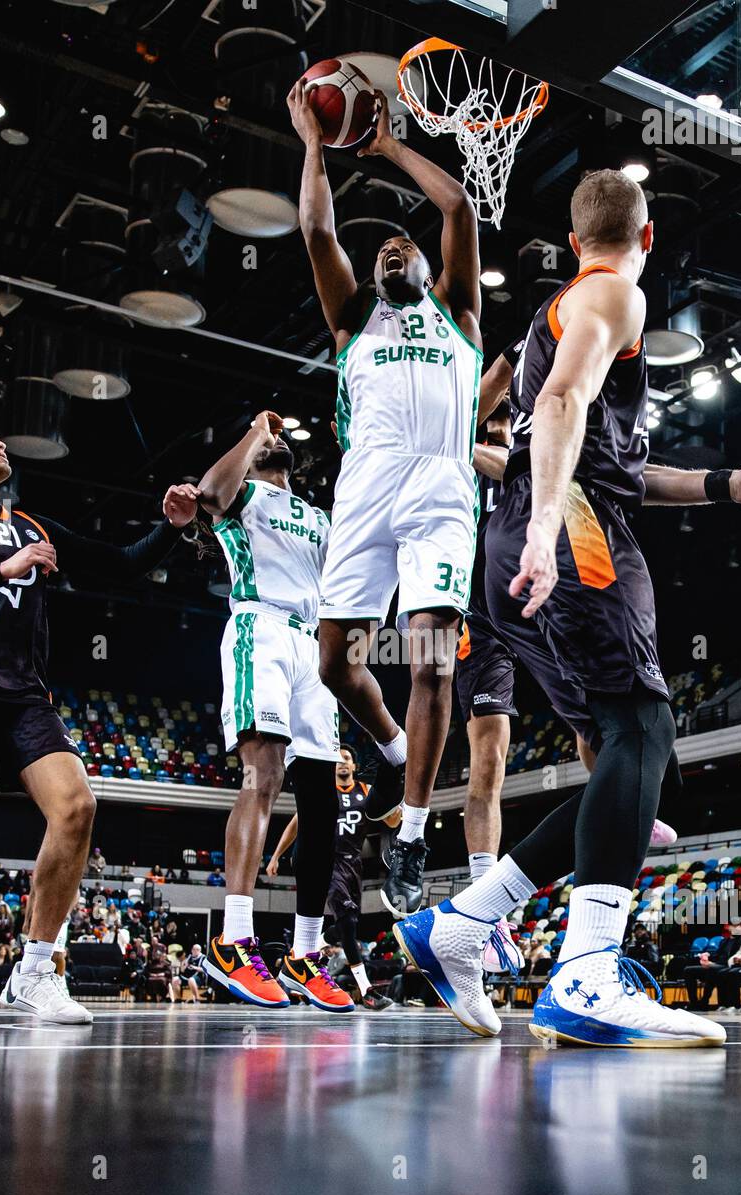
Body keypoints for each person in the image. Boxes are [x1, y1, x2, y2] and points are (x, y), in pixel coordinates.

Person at [395, 168, 741, 1044]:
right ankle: (586, 974)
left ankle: (459, 926)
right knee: (642, 734)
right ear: (648, 236)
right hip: (569, 533)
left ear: (571, 230)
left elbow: (612, 466)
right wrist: (554, 530)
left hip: (523, 532)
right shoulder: (613, 295)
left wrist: (720, 485)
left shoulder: (554, 314)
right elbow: (560, 406)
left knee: (619, 762)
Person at [0, 412, 197, 1026]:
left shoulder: (29, 524)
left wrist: (170, 528)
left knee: (77, 807)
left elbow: (121, 562)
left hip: (24, 691)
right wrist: (3, 569)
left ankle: (34, 972)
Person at [287, 78, 483, 917]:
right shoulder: (351, 320)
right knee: (335, 663)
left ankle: (409, 831)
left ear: (431, 271)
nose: (392, 250)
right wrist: (311, 143)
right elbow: (314, 228)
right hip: (365, 482)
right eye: (382, 250)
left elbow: (460, 209)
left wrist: (388, 147)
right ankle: (398, 749)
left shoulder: (462, 318)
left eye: (404, 246)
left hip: (440, 481)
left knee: (432, 656)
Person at [181, 410, 352, 1013]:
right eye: (267, 442)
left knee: (321, 799)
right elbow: (210, 493)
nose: (276, 441)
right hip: (264, 628)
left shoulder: (318, 516)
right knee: (264, 776)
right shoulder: (242, 494)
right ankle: (233, 940)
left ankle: (306, 952)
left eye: (279, 440)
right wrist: (253, 431)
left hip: (316, 645)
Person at [267, 744, 401, 1009]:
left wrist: (397, 808)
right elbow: (296, 824)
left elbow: (392, 822)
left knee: (344, 926)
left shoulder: (365, 791)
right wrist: (275, 856)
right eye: (337, 759)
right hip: (327, 860)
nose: (341, 762)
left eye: (347, 758)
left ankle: (303, 952)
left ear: (354, 766)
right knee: (348, 924)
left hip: (354, 865)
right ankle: (367, 990)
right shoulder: (324, 792)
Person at [682, 926, 741, 1010]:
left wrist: (711, 964)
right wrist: (707, 956)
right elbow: (717, 956)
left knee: (712, 970)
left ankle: (704, 1001)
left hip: (728, 966)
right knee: (688, 970)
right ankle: (694, 1002)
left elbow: (735, 959)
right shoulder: (724, 941)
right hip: (716, 965)